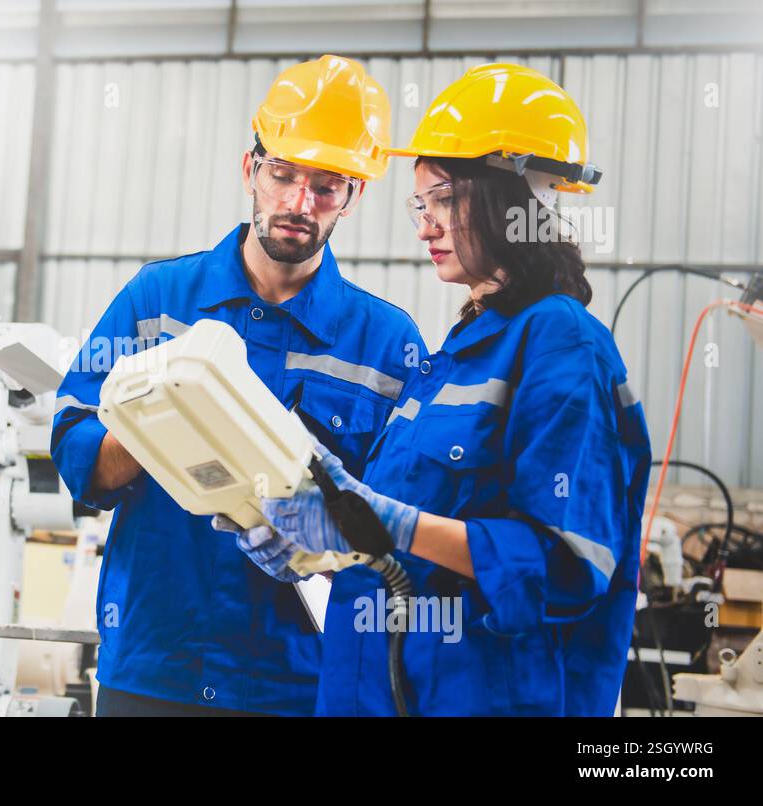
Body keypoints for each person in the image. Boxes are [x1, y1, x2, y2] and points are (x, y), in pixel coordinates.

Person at [225, 63, 653, 716]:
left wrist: (387, 521)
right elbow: (412, 550)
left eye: (446, 200)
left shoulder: (560, 343)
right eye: (420, 204)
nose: (425, 225)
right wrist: (321, 545)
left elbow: (567, 564)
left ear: (513, 204)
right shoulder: (452, 358)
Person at [51, 55, 425, 716]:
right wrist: (162, 421)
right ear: (249, 169)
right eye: (282, 175)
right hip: (153, 668)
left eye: (325, 187)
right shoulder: (157, 301)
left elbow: (400, 525)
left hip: (292, 685)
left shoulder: (386, 347)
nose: (296, 204)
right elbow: (76, 450)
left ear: (354, 196)